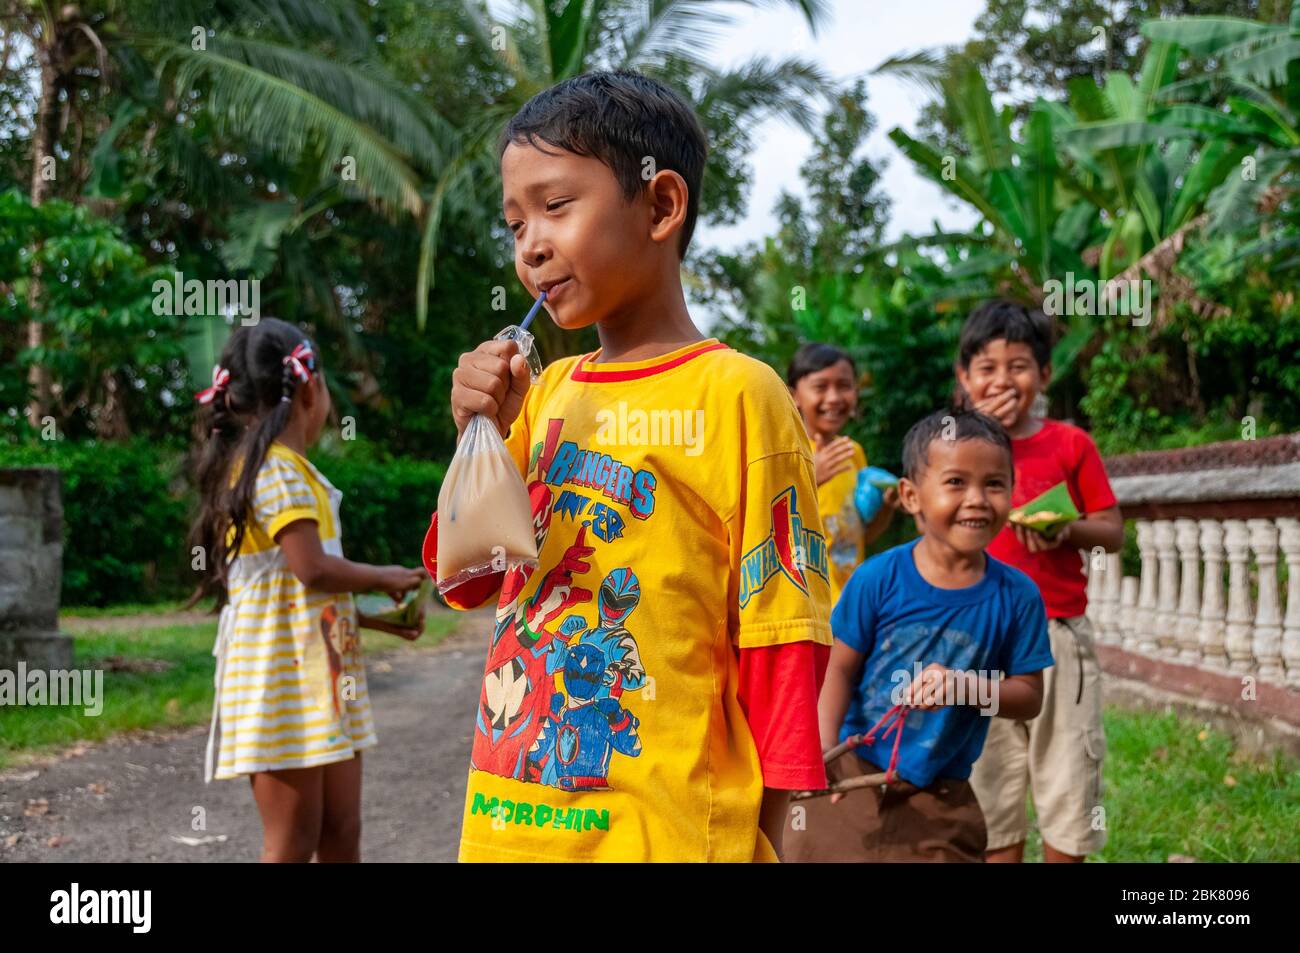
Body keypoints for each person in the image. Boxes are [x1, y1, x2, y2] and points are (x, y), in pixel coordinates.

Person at [428, 70, 832, 862]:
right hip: (511, 829)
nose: (531, 244)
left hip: (669, 837)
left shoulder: (740, 395)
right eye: (514, 225)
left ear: (660, 204)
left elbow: (784, 640)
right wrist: (475, 439)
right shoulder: (541, 397)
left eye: (555, 206)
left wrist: (777, 839)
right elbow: (466, 579)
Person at [188, 318, 425, 862]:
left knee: (342, 831)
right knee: (291, 842)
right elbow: (312, 570)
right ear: (311, 388)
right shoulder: (271, 470)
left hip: (323, 679)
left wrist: (370, 614)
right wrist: (385, 576)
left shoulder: (290, 471)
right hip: (280, 683)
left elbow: (302, 588)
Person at [784, 409, 1052, 862]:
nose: (977, 500)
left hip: (940, 788)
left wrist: (968, 688)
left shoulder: (1018, 596)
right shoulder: (878, 578)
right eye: (955, 483)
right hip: (852, 771)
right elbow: (839, 668)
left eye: (994, 484)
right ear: (910, 496)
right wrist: (824, 750)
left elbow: (1029, 696)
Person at [955, 299, 1124, 863]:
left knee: (1067, 776)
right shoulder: (951, 448)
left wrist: (1066, 529)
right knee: (988, 784)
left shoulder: (1071, 444)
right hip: (976, 638)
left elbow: (1112, 532)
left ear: (1045, 374)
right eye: (988, 368)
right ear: (965, 379)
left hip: (1056, 636)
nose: (1003, 380)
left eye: (1019, 365)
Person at [787, 342, 896, 602]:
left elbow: (860, 536)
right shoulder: (786, 451)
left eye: (844, 386)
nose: (834, 397)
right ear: (794, 396)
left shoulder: (853, 452)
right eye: (820, 387)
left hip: (850, 602)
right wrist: (811, 478)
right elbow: (766, 522)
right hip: (808, 603)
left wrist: (887, 507)